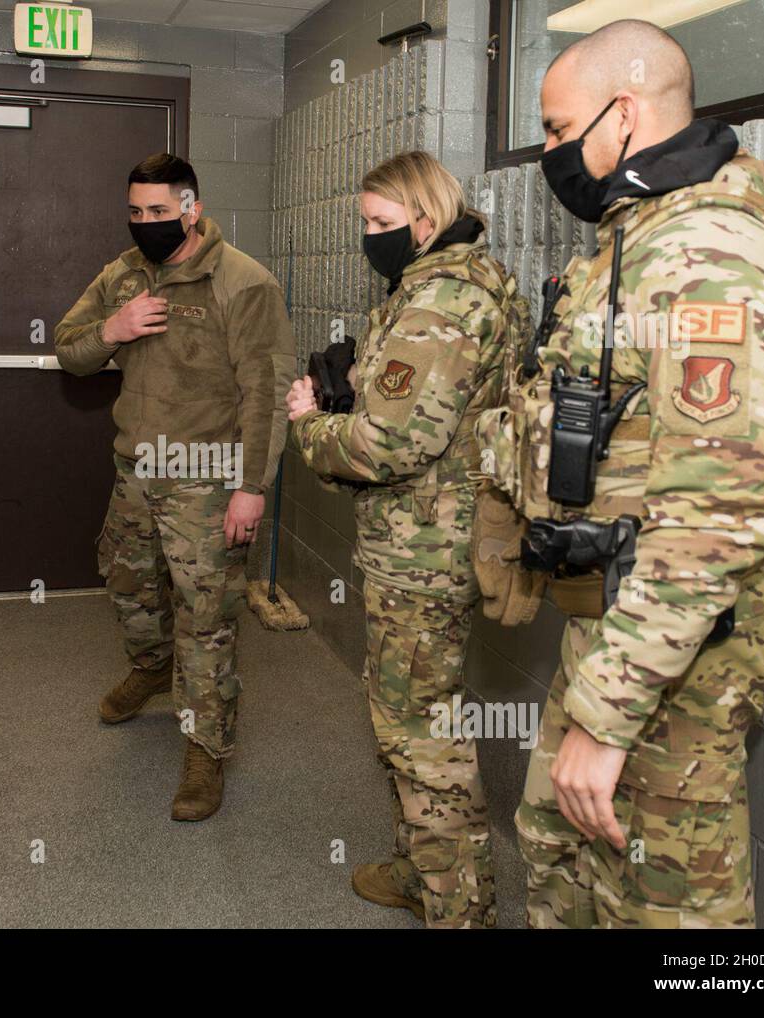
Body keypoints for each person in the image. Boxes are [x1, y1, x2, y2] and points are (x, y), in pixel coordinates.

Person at [473, 19, 764, 928]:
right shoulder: (639, 234)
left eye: (554, 129)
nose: (546, 153)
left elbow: (722, 510)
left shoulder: (708, 254)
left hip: (673, 665)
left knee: (673, 917)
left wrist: (607, 716)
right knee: (558, 856)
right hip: (618, 630)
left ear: (624, 115)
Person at [287, 151, 527, 927]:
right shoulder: (457, 283)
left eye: (382, 224)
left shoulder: (439, 302)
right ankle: (424, 872)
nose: (370, 237)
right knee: (411, 719)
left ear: (426, 221)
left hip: (423, 551)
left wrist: (311, 426)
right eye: (366, 222)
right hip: (431, 534)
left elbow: (391, 447)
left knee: (422, 732)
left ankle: (459, 908)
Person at [55, 154, 296, 821]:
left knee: (205, 618)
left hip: (207, 480)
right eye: (135, 212)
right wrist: (113, 330)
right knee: (128, 586)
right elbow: (68, 350)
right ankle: (152, 666)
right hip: (136, 470)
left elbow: (267, 394)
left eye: (158, 212)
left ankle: (205, 747)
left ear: (191, 208)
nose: (145, 224)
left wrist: (253, 488)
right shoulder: (122, 275)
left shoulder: (242, 282)